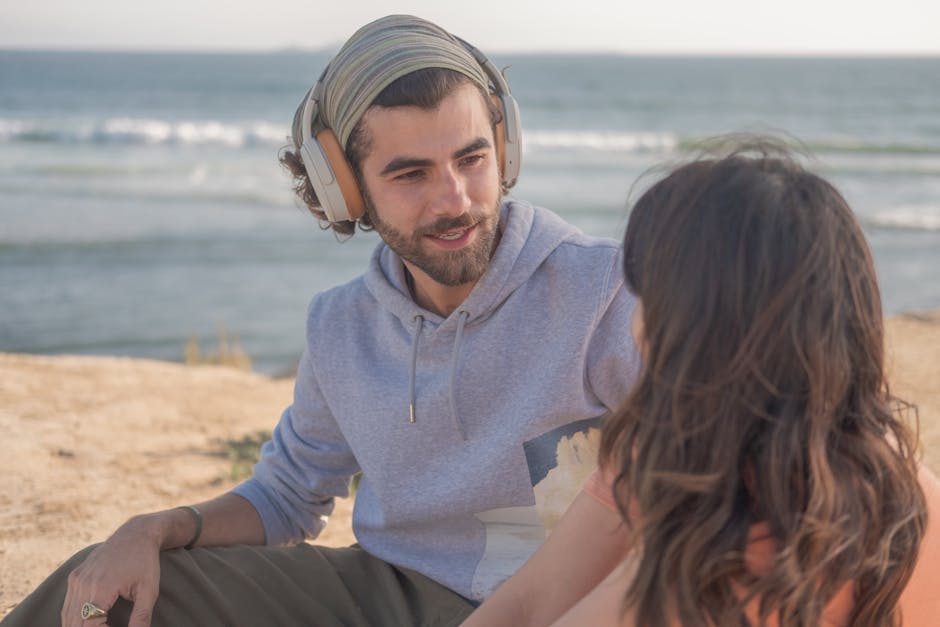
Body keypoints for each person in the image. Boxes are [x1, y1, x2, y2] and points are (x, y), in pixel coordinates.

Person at [2, 14, 640, 627]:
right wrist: (155, 528)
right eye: (411, 174)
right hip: (383, 594)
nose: (456, 199)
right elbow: (286, 497)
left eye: (472, 159)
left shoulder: (610, 292)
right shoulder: (341, 326)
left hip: (565, 606)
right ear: (345, 188)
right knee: (109, 582)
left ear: (505, 147)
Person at [462, 138, 940, 626]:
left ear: (700, 323)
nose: (636, 326)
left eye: (648, 295)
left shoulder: (764, 537)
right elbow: (532, 597)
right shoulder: (685, 452)